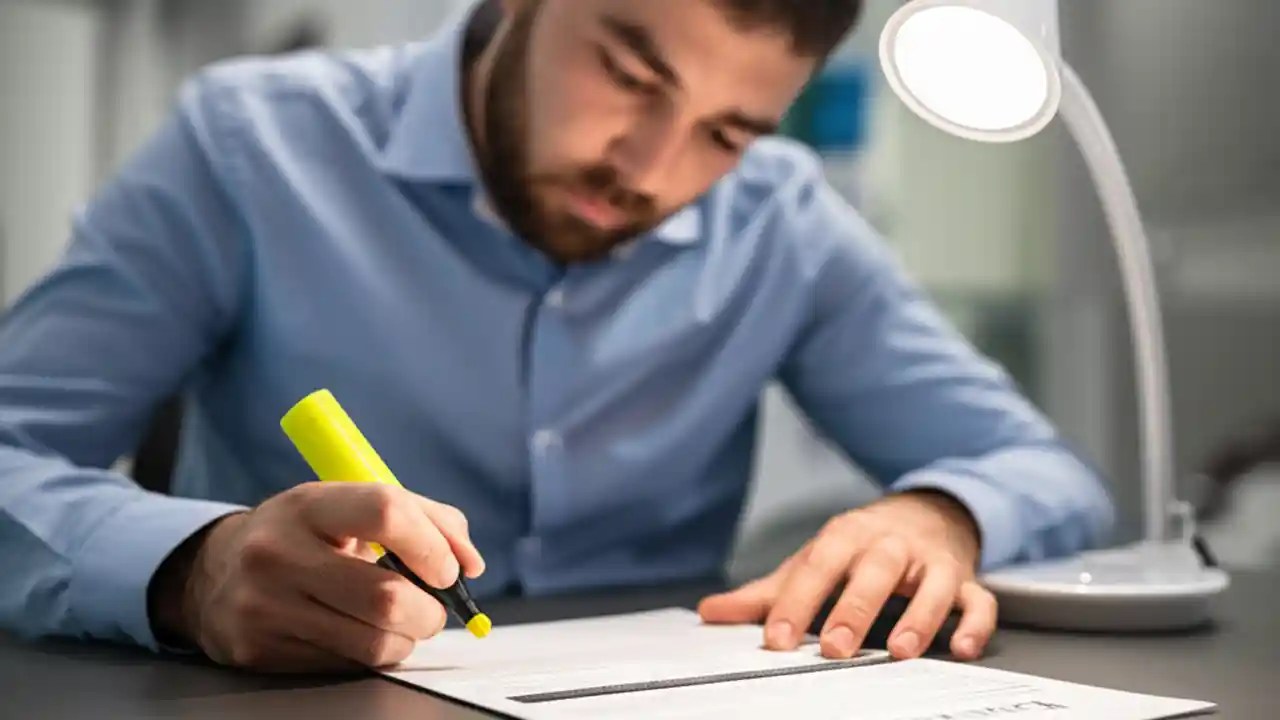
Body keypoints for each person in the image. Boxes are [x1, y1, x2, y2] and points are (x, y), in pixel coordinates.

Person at [0, 0, 1113, 673]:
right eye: (628, 75)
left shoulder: (782, 217)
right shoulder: (248, 145)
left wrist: (938, 514)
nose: (649, 171)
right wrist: (192, 573)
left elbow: (1039, 472)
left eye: (726, 131)